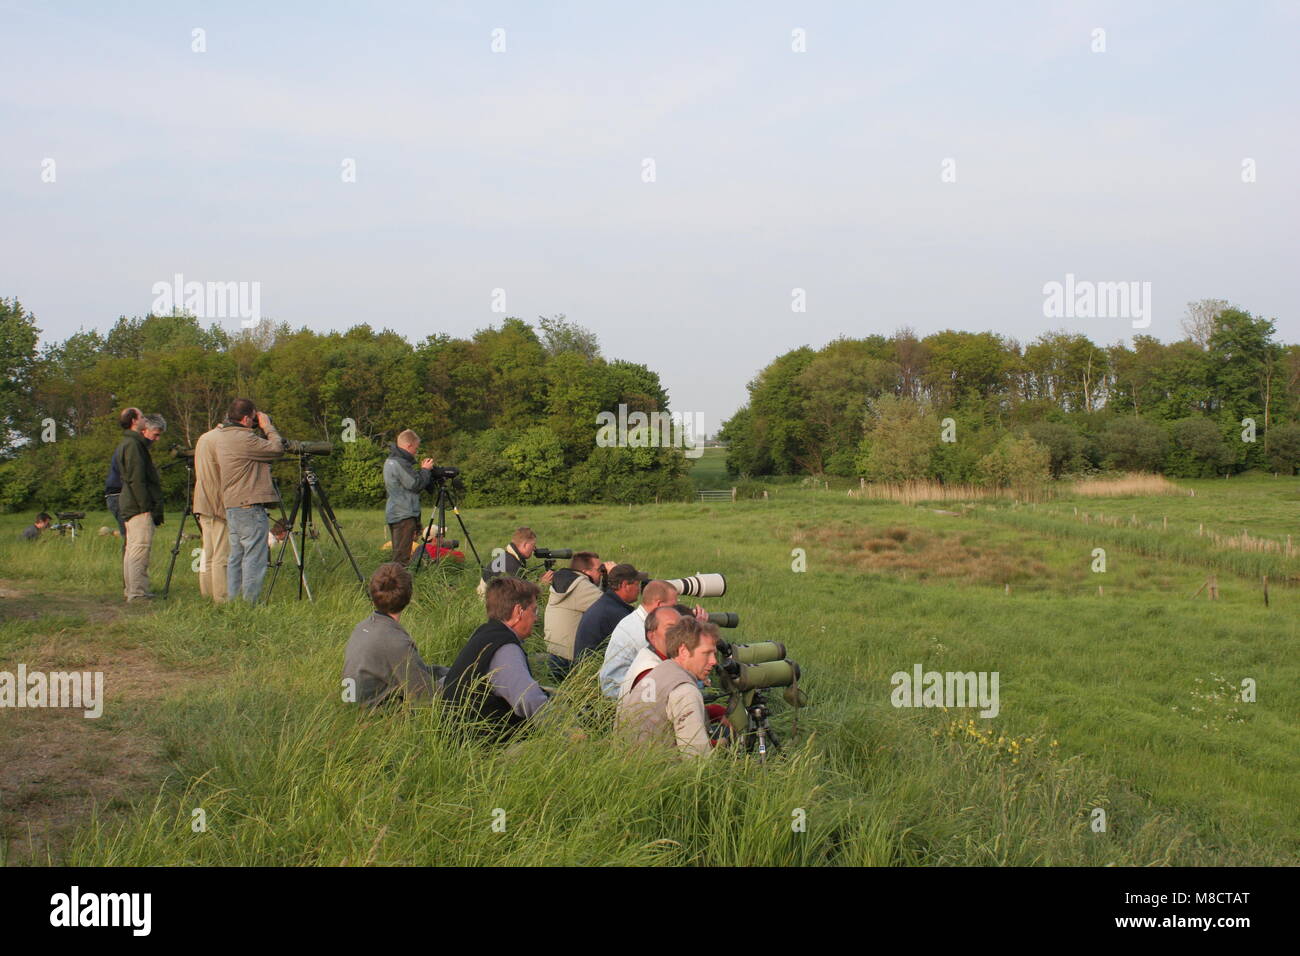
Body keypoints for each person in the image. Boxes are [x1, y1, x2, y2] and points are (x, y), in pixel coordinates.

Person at [441, 577, 549, 737]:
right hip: (488, 749)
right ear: (518, 611)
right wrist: (569, 732)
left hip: (459, 738)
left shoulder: (483, 634)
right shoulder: (505, 648)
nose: (536, 618)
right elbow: (530, 699)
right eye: (534, 611)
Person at [615, 616, 721, 758]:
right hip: (661, 774)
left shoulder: (657, 672)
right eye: (706, 653)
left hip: (627, 766)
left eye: (714, 653)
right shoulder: (684, 689)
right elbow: (697, 759)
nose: (714, 661)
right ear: (683, 651)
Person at [342, 563, 446, 708]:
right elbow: (427, 697)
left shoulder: (361, 627)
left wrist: (447, 672)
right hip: (377, 717)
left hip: (353, 704)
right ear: (408, 596)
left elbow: (413, 671)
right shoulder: (396, 643)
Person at [212, 398, 285, 603]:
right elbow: (276, 449)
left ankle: (235, 602)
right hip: (249, 505)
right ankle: (249, 604)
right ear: (245, 419)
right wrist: (267, 426)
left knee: (237, 556)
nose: (255, 423)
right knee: (254, 557)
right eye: (253, 419)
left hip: (234, 505)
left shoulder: (223, 437)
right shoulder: (244, 439)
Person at [599, 580, 703, 697]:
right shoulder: (644, 633)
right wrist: (696, 632)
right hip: (622, 697)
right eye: (673, 606)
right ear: (659, 605)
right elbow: (673, 671)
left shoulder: (635, 620)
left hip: (621, 689)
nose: (676, 611)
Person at [117, 413, 166, 602]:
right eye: (156, 434)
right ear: (139, 425)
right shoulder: (134, 446)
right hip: (138, 507)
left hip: (132, 505)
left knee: (132, 550)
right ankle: (137, 593)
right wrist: (146, 507)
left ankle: (134, 589)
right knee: (139, 549)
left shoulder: (130, 444)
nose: (157, 439)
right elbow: (136, 479)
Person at [543, 551, 615, 675]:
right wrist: (614, 575)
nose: (601, 574)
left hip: (555, 655)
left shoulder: (567, 582)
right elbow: (612, 609)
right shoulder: (580, 586)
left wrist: (605, 580)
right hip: (569, 662)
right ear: (586, 572)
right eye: (599, 570)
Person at [383, 429, 435, 567]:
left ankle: (397, 582)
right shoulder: (399, 463)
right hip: (403, 515)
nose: (416, 452)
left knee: (400, 555)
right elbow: (415, 484)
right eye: (416, 449)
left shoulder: (392, 461)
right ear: (409, 446)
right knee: (401, 559)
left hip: (397, 513)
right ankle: (397, 585)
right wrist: (425, 470)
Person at [572, 564, 642, 665]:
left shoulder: (608, 603)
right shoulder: (616, 613)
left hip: (586, 669)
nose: (639, 589)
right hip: (596, 673)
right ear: (625, 585)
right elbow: (639, 645)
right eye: (637, 584)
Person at [192, 419, 228, 602]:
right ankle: (221, 597)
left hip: (202, 500)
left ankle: (206, 593)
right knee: (221, 554)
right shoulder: (222, 440)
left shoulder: (204, 438)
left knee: (207, 551)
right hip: (217, 502)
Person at [617, 604, 683, 699]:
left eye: (681, 628)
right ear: (652, 636)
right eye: (670, 628)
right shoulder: (651, 671)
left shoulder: (648, 654)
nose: (679, 633)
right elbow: (649, 712)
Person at [104, 407, 141, 547]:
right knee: (131, 540)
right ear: (134, 421)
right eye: (142, 417)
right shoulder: (130, 445)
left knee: (131, 539)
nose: (144, 420)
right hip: (119, 495)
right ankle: (129, 569)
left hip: (117, 494)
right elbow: (132, 476)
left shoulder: (128, 444)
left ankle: (129, 568)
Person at [478, 527, 553, 593]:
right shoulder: (511, 564)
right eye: (533, 545)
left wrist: (537, 580)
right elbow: (521, 595)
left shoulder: (510, 556)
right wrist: (541, 584)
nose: (534, 549)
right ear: (525, 545)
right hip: (489, 604)